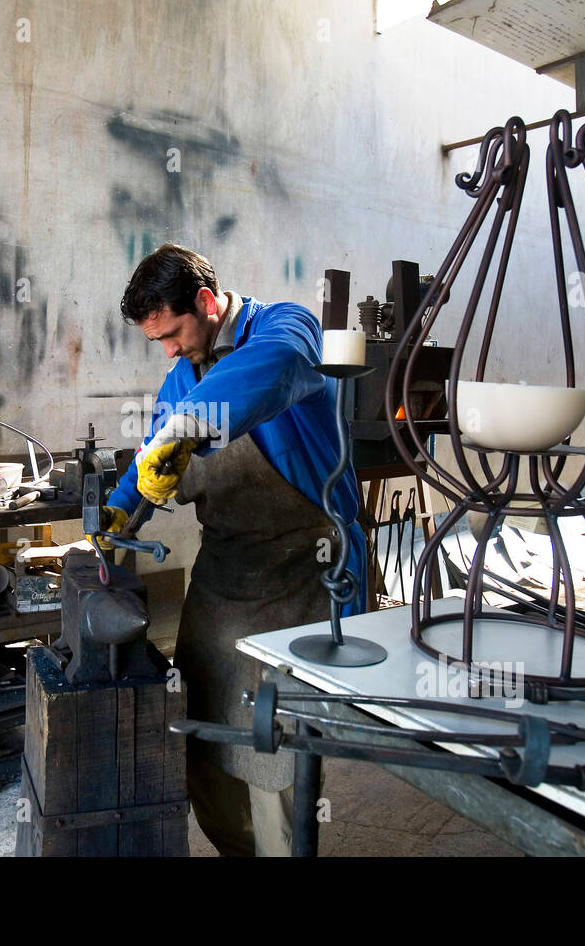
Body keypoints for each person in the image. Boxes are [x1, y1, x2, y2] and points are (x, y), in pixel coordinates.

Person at [100, 243, 366, 856]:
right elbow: (151, 456)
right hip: (224, 577)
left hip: (304, 569)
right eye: (156, 341)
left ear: (205, 300)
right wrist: (120, 509)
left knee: (271, 740)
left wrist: (189, 432)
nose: (167, 349)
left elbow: (268, 371)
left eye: (172, 332)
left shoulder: (285, 326)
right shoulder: (179, 375)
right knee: (202, 728)